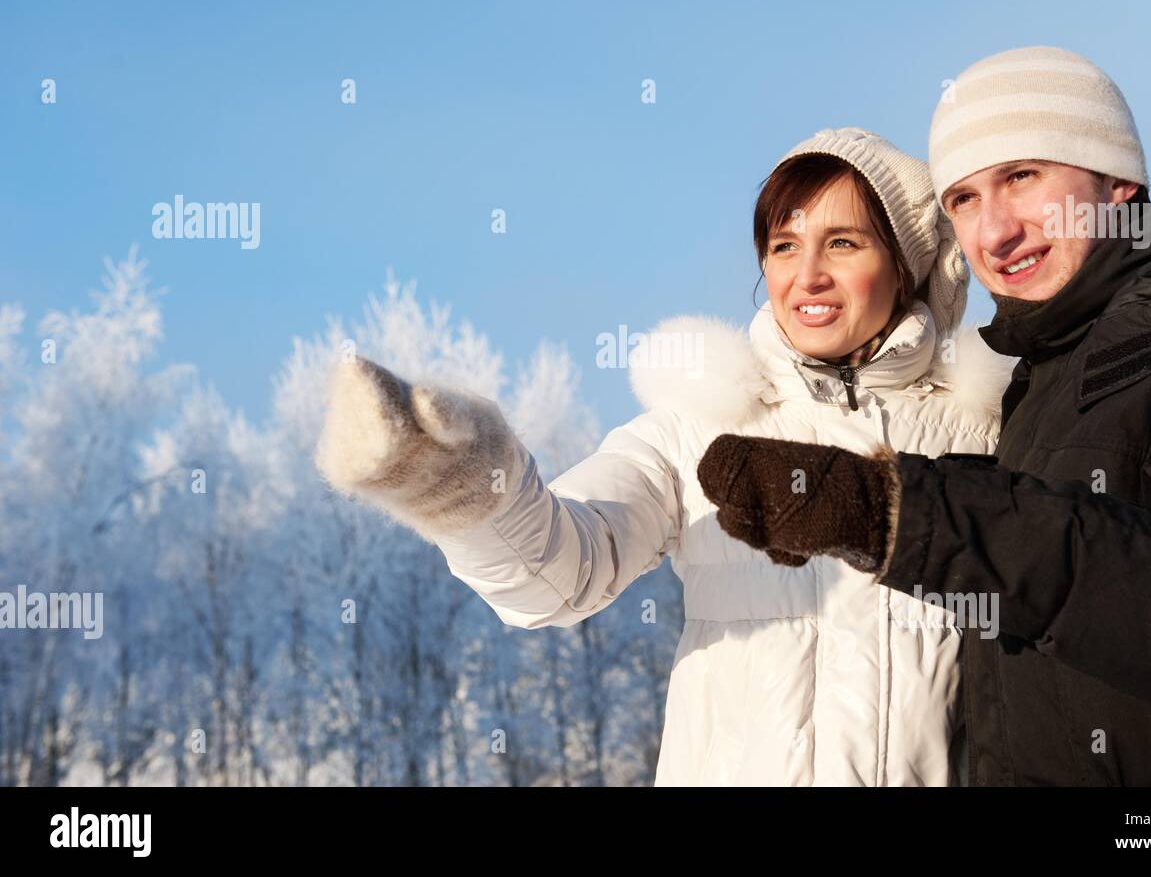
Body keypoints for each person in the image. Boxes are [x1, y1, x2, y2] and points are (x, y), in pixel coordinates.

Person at [313, 127, 1012, 786]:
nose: (808, 275)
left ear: (905, 264)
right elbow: (563, 569)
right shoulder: (700, 426)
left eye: (844, 243)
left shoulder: (987, 440)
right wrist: (464, 485)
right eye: (783, 245)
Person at [696, 46, 1151, 786]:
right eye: (964, 200)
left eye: (1022, 177)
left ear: (1117, 182)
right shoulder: (1034, 393)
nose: (994, 232)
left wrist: (900, 510)